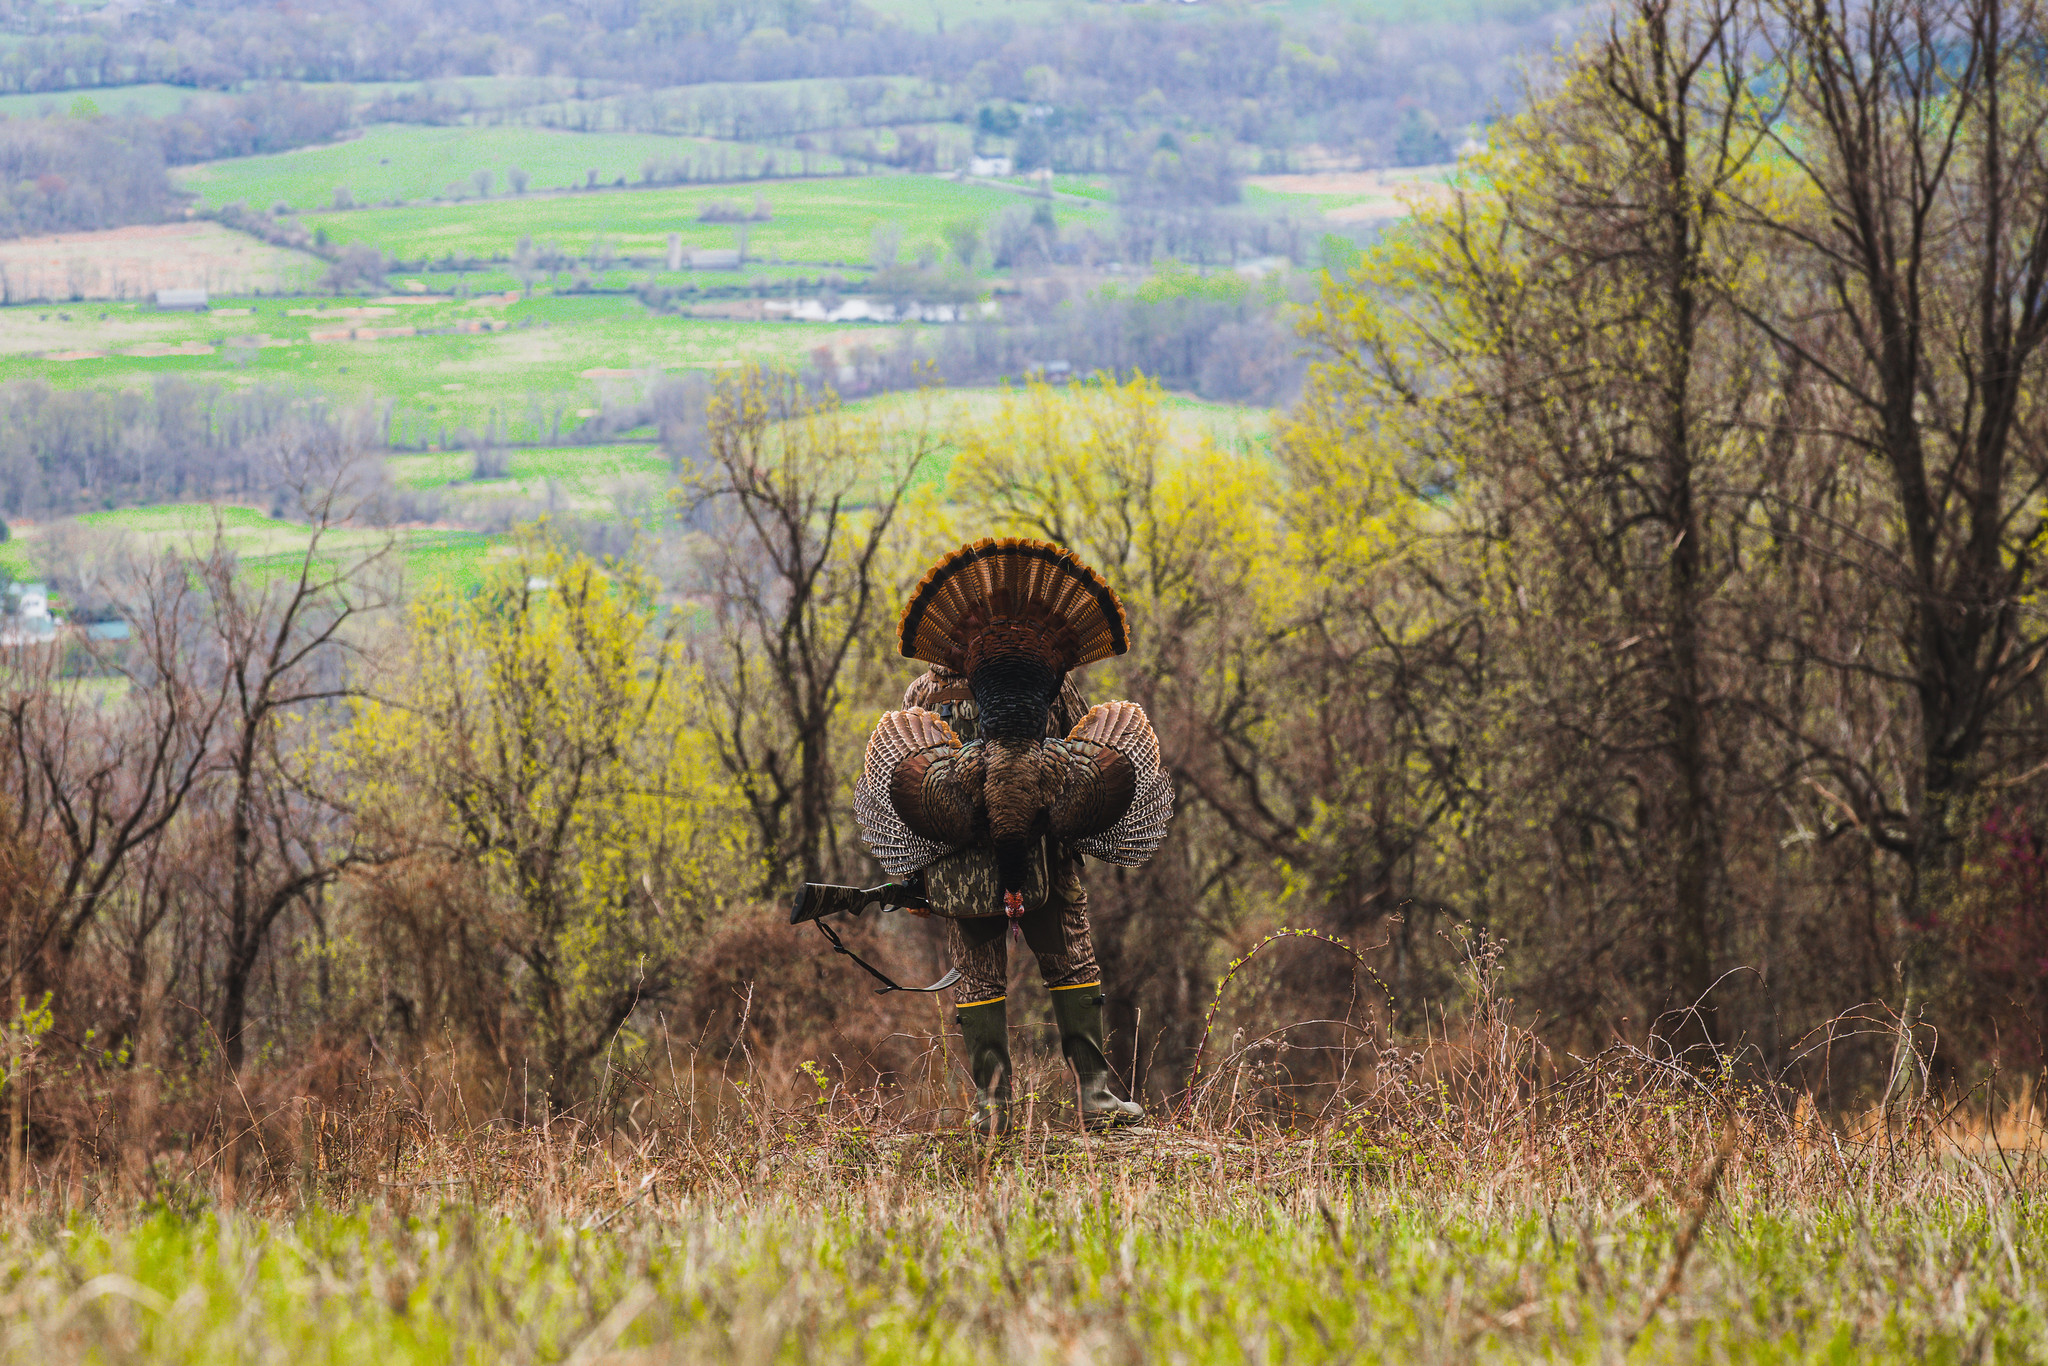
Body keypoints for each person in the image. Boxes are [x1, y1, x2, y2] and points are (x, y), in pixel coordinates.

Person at [901, 662, 1145, 1134]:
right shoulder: (1041, 675)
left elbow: (907, 783)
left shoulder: (924, 691)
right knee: (1072, 965)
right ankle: (1094, 1098)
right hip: (1043, 858)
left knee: (977, 980)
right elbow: (1084, 749)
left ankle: (992, 1111)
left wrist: (918, 875)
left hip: (960, 871)